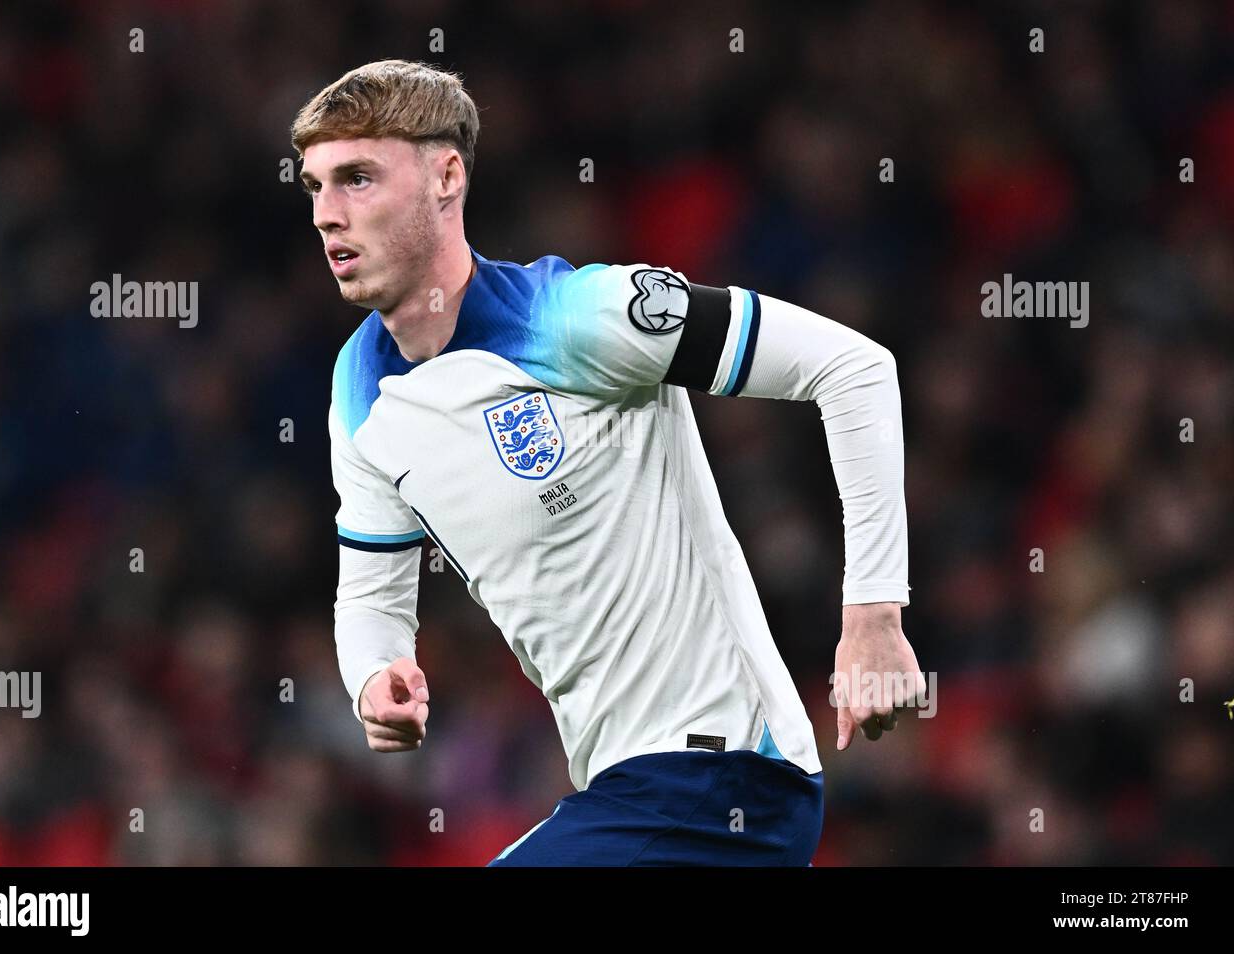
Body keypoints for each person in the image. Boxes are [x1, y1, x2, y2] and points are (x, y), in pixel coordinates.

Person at [290, 59, 923, 866]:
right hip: (626, 793)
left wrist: (873, 617)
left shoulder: (586, 315)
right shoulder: (360, 393)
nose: (326, 214)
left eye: (357, 179)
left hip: (727, 776)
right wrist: (377, 676)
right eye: (314, 186)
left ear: (445, 176)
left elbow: (854, 369)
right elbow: (372, 600)